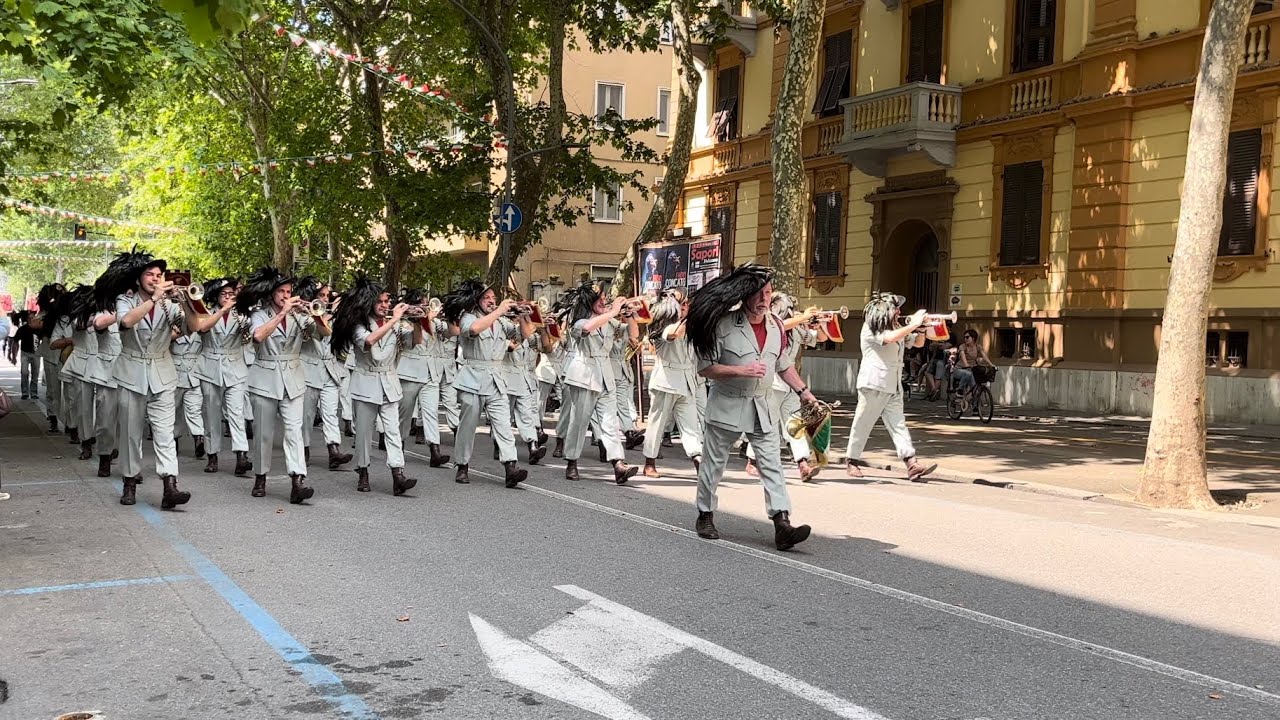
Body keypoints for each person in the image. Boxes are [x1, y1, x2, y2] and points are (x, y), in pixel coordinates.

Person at [685, 263, 815, 551]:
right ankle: (705, 514)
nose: (764, 300)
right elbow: (705, 368)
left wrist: (804, 391)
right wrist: (739, 371)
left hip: (763, 407)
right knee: (713, 465)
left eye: (768, 293)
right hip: (727, 405)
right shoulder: (722, 324)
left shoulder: (776, 326)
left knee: (773, 466)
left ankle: (782, 522)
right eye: (758, 294)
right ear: (745, 296)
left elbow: (783, 365)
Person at [95, 249, 192, 509]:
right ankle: (129, 482)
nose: (155, 278)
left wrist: (186, 302)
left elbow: (192, 327)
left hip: (163, 372)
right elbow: (126, 322)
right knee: (130, 432)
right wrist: (154, 300)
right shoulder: (124, 300)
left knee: (164, 432)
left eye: (159, 275)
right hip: (131, 372)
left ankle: (170, 485)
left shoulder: (169, 303)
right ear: (138, 280)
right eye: (149, 274)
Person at [330, 275, 420, 495]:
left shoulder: (396, 324)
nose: (385, 306)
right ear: (370, 303)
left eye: (387, 302)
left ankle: (398, 474)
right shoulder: (358, 325)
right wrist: (394, 320)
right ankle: (363, 471)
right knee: (363, 433)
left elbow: (415, 341)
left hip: (389, 382)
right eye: (380, 302)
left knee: (392, 431)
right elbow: (369, 342)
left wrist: (420, 322)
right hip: (365, 383)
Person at [440, 279, 531, 487]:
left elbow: (525, 334)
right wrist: (499, 310)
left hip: (496, 378)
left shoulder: (501, 322)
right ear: (476, 300)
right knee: (467, 426)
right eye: (486, 298)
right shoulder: (467, 317)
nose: (491, 301)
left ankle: (510, 466)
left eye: (493, 298)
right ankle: (462, 465)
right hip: (472, 377)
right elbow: (474, 329)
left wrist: (524, 315)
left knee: (503, 425)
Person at [238, 267, 318, 503]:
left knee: (294, 431)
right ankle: (260, 477)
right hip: (264, 378)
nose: (286, 295)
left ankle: (298, 481)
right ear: (271, 294)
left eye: (288, 291)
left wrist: (315, 314)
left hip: (293, 378)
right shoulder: (259, 314)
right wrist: (283, 313)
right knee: (263, 433)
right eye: (282, 291)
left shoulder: (299, 315)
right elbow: (259, 336)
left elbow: (323, 333)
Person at [843, 292, 938, 483]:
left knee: (898, 424)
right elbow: (890, 338)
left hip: (893, 384)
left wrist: (921, 329)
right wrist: (914, 323)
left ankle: (911, 462)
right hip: (874, 383)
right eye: (896, 308)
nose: (899, 312)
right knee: (863, 423)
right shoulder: (871, 328)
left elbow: (917, 343)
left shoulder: (897, 328)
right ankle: (852, 460)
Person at [556, 281, 640, 484]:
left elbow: (633, 335)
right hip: (584, 376)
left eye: (605, 298)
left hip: (606, 376)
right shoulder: (579, 322)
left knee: (610, 423)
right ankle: (572, 461)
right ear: (590, 301)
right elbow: (587, 327)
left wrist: (629, 315)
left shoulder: (609, 322)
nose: (604, 301)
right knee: (579, 422)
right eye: (601, 298)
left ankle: (618, 464)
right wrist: (613, 312)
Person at [744, 294, 827, 483]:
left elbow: (821, 338)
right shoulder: (770, 325)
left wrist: (820, 322)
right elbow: (783, 324)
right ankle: (752, 461)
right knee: (766, 425)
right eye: (789, 310)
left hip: (790, 387)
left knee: (795, 425)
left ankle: (803, 464)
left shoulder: (796, 331)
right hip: (769, 384)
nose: (793, 312)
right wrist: (804, 317)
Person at [189, 278, 254, 476]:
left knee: (236, 413)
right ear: (216, 296)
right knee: (211, 414)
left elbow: (250, 334)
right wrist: (223, 310)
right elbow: (202, 328)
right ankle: (212, 455)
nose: (228, 297)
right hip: (209, 367)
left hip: (235, 367)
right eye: (223, 294)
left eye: (230, 294)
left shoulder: (242, 315)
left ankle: (241, 455)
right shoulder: (204, 312)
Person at [641, 290, 702, 478]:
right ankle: (649, 462)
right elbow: (674, 334)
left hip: (687, 383)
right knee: (657, 424)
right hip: (665, 382)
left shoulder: (690, 326)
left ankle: (699, 460)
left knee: (692, 425)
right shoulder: (664, 327)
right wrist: (690, 318)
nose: (684, 308)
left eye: (686, 305)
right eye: (680, 305)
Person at [294, 277, 353, 470]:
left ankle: (334, 450)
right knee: (307, 415)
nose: (326, 299)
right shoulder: (300, 315)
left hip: (330, 369)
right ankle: (303, 449)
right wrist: (326, 315)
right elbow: (321, 331)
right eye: (321, 296)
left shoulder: (333, 316)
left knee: (330, 413)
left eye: (327, 296)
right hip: (308, 370)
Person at [394, 288, 450, 468]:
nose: (425, 306)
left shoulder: (434, 322)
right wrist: (427, 318)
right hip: (408, 372)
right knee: (404, 414)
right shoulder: (401, 324)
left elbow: (453, 331)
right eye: (421, 303)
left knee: (431, 412)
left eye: (426, 303)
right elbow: (411, 340)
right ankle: (398, 447)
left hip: (430, 372)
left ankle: (435, 450)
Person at [952, 329, 994, 396]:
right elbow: (963, 357)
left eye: (967, 337)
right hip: (959, 369)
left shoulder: (978, 347)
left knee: (976, 390)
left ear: (973, 338)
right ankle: (960, 390)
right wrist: (966, 365)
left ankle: (974, 403)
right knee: (968, 374)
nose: (965, 339)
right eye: (964, 337)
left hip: (971, 369)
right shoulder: (962, 346)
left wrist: (991, 364)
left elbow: (984, 356)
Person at [12, 313, 39, 398]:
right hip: (25, 353)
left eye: (33, 318)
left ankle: (34, 393)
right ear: (27, 319)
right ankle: (25, 393)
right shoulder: (22, 329)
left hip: (36, 353)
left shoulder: (38, 328)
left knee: (35, 374)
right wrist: (14, 356)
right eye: (29, 318)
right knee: (24, 372)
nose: (31, 319)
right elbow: (15, 342)